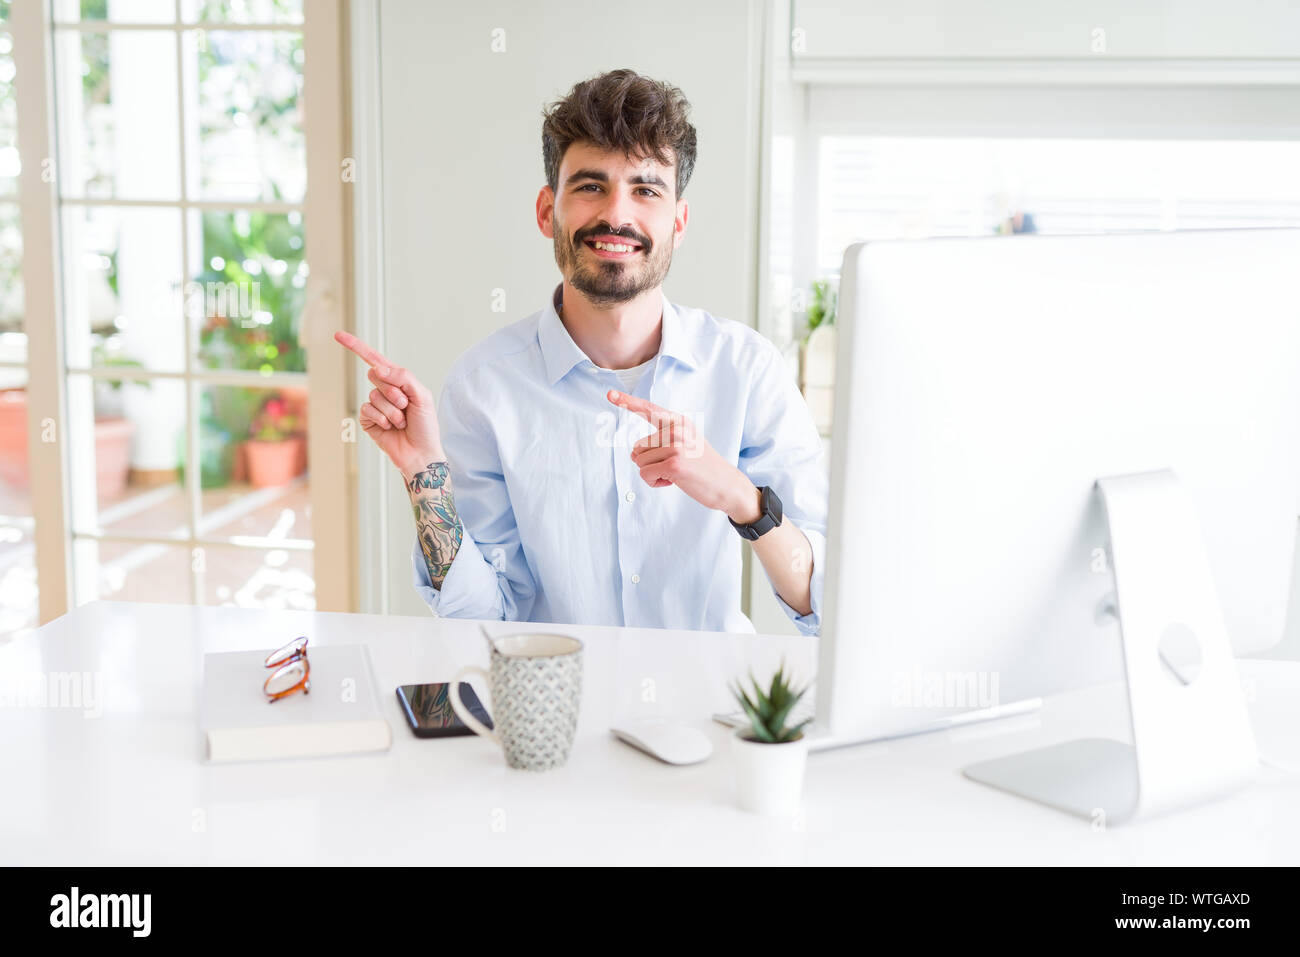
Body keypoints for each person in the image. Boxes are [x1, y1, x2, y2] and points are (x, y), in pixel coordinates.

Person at [336, 69, 828, 635]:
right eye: (591, 186)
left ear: (679, 220)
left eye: (646, 190)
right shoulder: (482, 386)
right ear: (548, 210)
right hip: (551, 703)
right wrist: (425, 475)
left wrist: (741, 497)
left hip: (705, 709)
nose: (617, 215)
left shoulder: (746, 368)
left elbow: (821, 606)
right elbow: (482, 622)